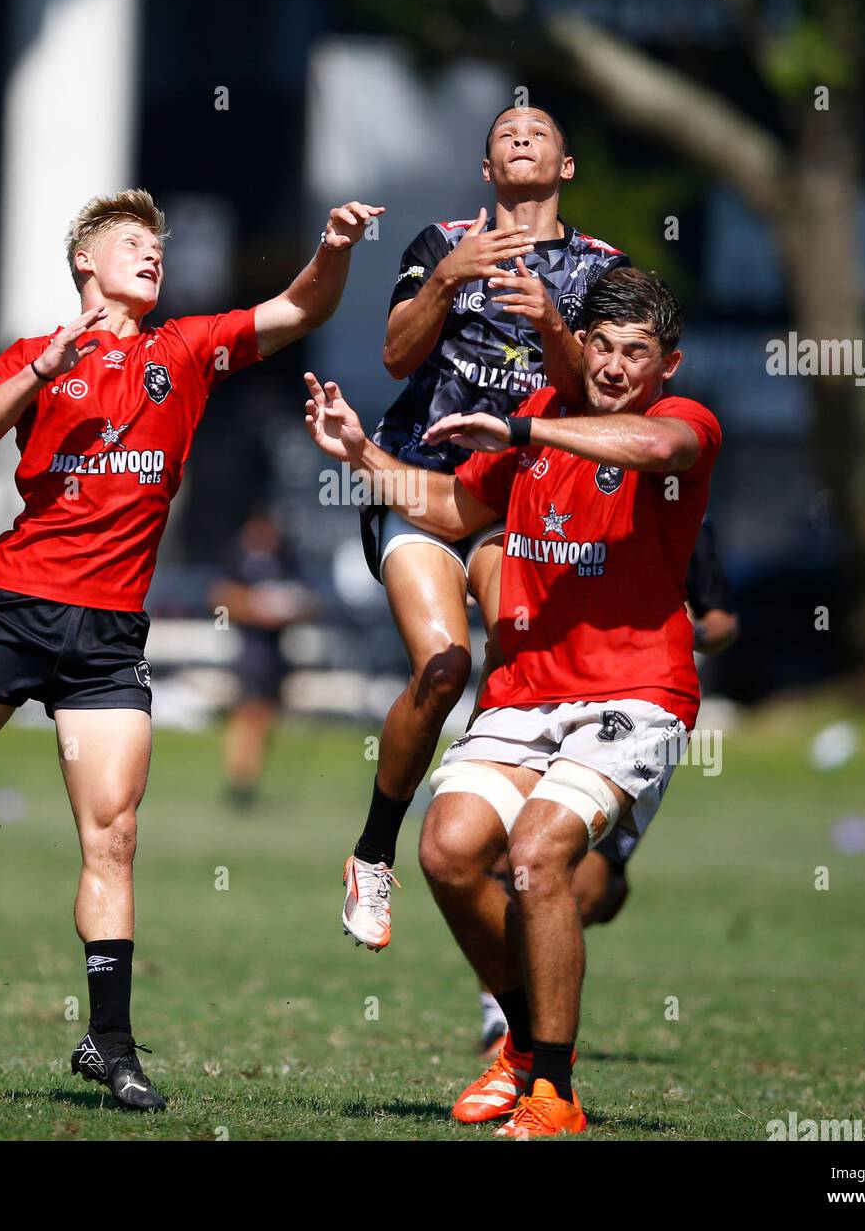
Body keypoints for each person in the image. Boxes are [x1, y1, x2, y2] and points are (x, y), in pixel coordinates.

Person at [0, 188, 382, 1112]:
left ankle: (111, 1044)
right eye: (132, 243)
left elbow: (299, 309)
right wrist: (40, 369)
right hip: (15, 611)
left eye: (157, 246)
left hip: (109, 634)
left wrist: (332, 249)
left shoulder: (186, 348)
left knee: (115, 835)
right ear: (87, 262)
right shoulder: (39, 356)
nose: (151, 255)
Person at [304, 264, 721, 1137]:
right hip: (525, 693)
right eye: (601, 347)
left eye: (634, 353)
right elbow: (453, 508)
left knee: (535, 857)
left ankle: (555, 1095)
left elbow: (650, 451)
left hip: (632, 694)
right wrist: (361, 453)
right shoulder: (533, 425)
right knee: (450, 854)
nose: (613, 366)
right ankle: (526, 1044)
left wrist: (534, 426)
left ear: (665, 365)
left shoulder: (683, 423)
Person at [341, 105, 628, 950]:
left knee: (517, 663)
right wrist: (446, 279)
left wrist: (548, 321)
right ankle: (372, 852)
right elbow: (395, 357)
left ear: (565, 167)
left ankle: (495, 838)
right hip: (419, 483)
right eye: (506, 131)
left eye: (541, 129)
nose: (522, 135)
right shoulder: (439, 243)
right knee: (443, 665)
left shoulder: (599, 272)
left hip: (514, 504)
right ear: (485, 166)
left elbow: (596, 400)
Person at [475, 518, 739, 1054]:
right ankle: (505, 1023)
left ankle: (604, 892)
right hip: (547, 707)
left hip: (633, 720)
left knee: (579, 886)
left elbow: (723, 622)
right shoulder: (548, 500)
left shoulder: (675, 507)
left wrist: (687, 629)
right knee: (510, 863)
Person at [210, 512, 314, 808]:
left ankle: (247, 778)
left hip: (276, 651)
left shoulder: (285, 559)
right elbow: (220, 596)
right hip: (251, 649)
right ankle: (240, 778)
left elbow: (307, 600)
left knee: (266, 715)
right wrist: (257, 608)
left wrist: (290, 607)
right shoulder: (237, 558)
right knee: (248, 713)